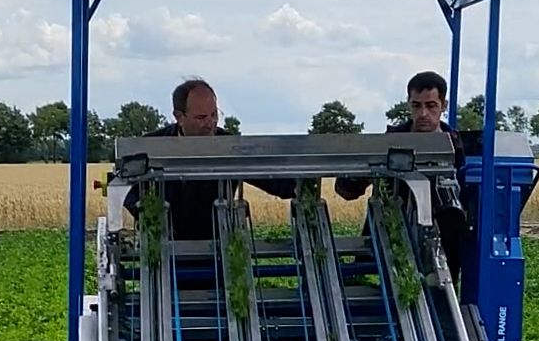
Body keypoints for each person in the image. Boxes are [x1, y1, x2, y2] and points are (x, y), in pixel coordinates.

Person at [334, 70, 471, 283]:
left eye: (431, 106)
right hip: (391, 234)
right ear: (409, 104)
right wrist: (360, 177)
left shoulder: (457, 146)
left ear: (443, 106)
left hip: (442, 244)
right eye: (417, 106)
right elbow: (347, 189)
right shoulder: (390, 142)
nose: (423, 113)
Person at [122, 78, 297, 241]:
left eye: (214, 114)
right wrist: (151, 216)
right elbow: (127, 192)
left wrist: (299, 184)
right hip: (165, 245)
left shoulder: (230, 147)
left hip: (220, 244)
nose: (210, 123)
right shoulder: (151, 147)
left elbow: (271, 179)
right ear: (179, 116)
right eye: (201, 117)